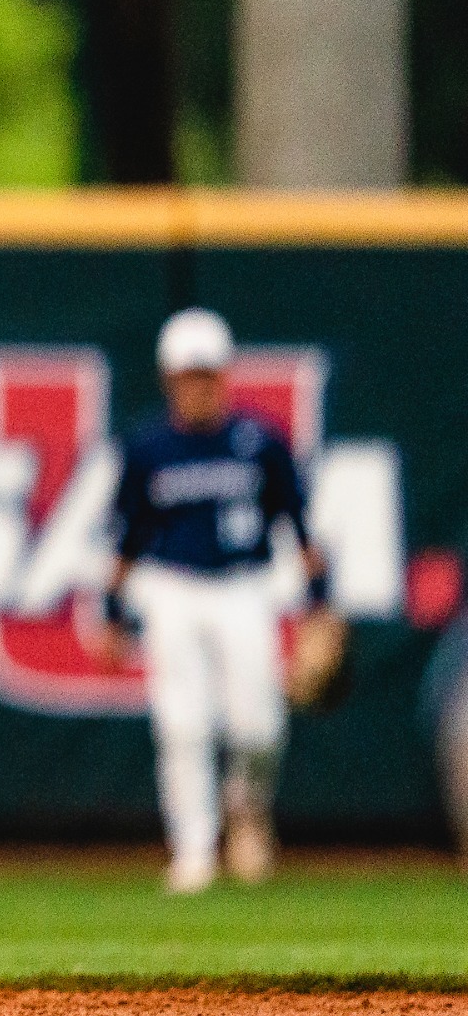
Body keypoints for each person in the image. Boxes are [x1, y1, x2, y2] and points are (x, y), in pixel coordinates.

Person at [96, 308, 330, 894]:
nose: (199, 386)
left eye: (208, 374)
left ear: (225, 375)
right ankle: (194, 848)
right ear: (169, 379)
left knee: (259, 724)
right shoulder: (148, 447)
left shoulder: (258, 442)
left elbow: (300, 528)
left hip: (245, 586)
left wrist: (320, 604)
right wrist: (113, 611)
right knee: (182, 724)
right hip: (173, 588)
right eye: (188, 375)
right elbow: (127, 538)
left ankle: (247, 809)